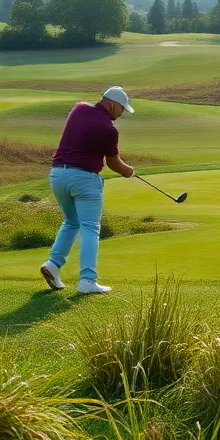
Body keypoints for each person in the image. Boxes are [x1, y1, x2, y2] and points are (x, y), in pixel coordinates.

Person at [39, 86, 136, 294]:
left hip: (58, 175)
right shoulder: (109, 129)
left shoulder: (79, 109)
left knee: (71, 221)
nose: (122, 114)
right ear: (112, 105)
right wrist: (128, 171)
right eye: (122, 109)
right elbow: (113, 163)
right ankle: (87, 280)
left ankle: (53, 264)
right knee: (90, 228)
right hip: (84, 179)